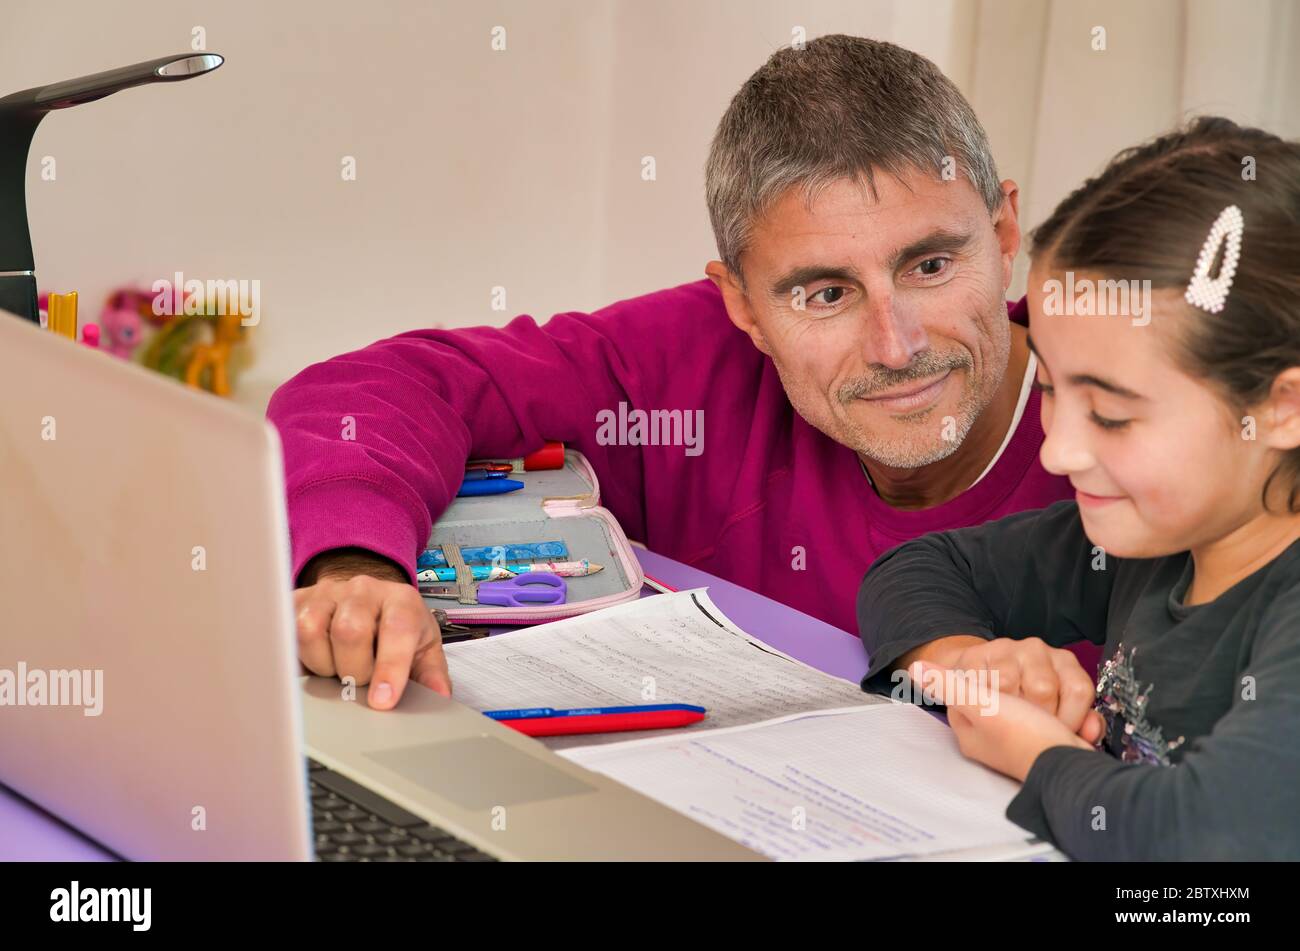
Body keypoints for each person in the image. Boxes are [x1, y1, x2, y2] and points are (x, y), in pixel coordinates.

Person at [269, 35, 1091, 710]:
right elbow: (373, 391)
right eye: (827, 293)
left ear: (1006, 229)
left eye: (932, 265)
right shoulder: (689, 366)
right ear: (741, 304)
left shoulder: (1128, 432)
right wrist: (355, 566)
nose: (896, 344)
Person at [857, 117, 1300, 859]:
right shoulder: (1161, 533)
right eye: (1054, 390)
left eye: (1114, 414)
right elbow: (919, 568)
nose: (1059, 452)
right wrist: (971, 663)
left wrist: (1032, 754)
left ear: (1280, 408)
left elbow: (1204, 838)